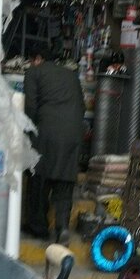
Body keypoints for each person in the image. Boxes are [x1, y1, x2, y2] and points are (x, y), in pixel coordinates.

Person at [23, 43, 85, 243]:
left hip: (48, 131)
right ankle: (62, 227)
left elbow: (30, 107)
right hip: (73, 132)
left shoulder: (34, 72)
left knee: (38, 177)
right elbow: (82, 106)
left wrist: (25, 131)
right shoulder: (71, 75)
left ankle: (38, 226)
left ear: (37, 58)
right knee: (65, 181)